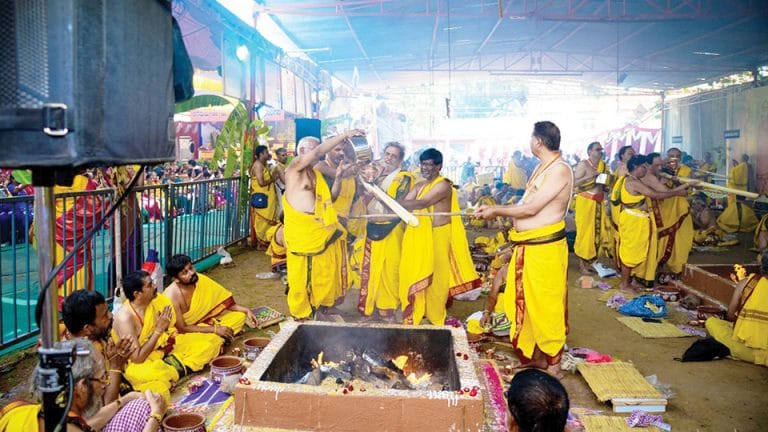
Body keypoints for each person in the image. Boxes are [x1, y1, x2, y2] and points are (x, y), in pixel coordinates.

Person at [474, 121, 573, 377]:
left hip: (545, 249)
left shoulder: (560, 170)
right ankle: (537, 358)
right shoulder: (542, 168)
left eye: (531, 138)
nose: (529, 142)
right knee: (527, 303)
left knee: (545, 304)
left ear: (538, 140)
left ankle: (554, 365)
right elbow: (524, 204)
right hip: (527, 247)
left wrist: (496, 209)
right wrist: (502, 212)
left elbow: (531, 209)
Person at [0, 339, 166, 432]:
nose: (104, 386)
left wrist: (125, 399)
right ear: (80, 387)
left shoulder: (21, 409)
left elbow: (89, 425)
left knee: (138, 405)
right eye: (101, 379)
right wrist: (156, 416)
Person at [283, 130, 360, 320]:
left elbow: (331, 198)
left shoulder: (315, 173)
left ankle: (320, 309)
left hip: (320, 231)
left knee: (322, 275)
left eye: (317, 148)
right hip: (304, 234)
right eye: (312, 149)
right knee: (302, 278)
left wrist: (339, 177)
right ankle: (301, 316)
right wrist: (345, 134)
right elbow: (318, 153)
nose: (316, 152)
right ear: (301, 151)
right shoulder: (294, 168)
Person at [399, 148, 480, 326]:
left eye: (429, 164)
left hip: (438, 236)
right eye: (423, 164)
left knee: (437, 278)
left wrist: (391, 201)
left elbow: (422, 203)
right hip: (420, 237)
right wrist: (392, 201)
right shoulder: (419, 185)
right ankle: (418, 313)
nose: (425, 168)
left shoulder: (443, 184)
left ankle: (436, 317)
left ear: (439, 166)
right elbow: (408, 202)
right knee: (417, 271)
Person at [114, 271, 216, 403]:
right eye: (150, 285)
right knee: (155, 385)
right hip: (140, 363)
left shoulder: (155, 301)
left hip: (163, 350)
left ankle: (171, 371)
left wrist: (163, 331)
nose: (155, 285)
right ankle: (171, 371)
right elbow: (137, 358)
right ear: (137, 294)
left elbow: (170, 329)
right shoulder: (125, 318)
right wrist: (158, 330)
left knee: (209, 343)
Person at [357, 142, 414, 322]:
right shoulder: (378, 175)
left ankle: (388, 312)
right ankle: (372, 310)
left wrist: (374, 188)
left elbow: (395, 204)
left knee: (389, 271)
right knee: (371, 271)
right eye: (387, 154)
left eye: (394, 156)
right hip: (372, 226)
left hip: (393, 229)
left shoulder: (404, 178)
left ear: (400, 160)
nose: (389, 158)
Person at [617, 155, 689, 292]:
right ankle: (624, 284)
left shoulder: (633, 180)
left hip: (636, 220)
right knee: (630, 253)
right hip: (633, 221)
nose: (646, 170)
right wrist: (679, 191)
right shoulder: (633, 183)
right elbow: (656, 195)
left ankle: (629, 281)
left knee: (634, 251)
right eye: (644, 167)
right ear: (636, 168)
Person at [62, 290, 136, 405]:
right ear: (87, 328)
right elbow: (106, 406)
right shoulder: (80, 360)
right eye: (105, 315)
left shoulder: (90, 337)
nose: (111, 316)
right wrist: (115, 366)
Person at [164, 254, 255, 343]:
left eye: (191, 268)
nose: (191, 273)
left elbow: (223, 301)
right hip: (187, 333)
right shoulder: (171, 296)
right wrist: (215, 330)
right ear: (176, 279)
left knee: (239, 316)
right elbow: (182, 328)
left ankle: (220, 338)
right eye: (185, 273)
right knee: (206, 346)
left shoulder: (201, 280)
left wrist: (246, 310)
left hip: (206, 324)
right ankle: (219, 338)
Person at [705, 253, 768, 366]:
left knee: (712, 322)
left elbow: (730, 315)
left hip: (748, 351)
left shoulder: (747, 283)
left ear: (762, 267)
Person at [573, 141, 610, 274]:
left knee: (596, 234)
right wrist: (589, 177)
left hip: (598, 203)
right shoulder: (583, 164)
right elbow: (573, 183)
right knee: (584, 234)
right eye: (597, 149)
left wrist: (607, 186)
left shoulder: (603, 165)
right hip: (585, 202)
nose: (600, 152)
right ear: (589, 151)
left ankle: (589, 263)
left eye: (601, 150)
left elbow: (603, 185)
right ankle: (582, 265)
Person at [250, 145, 279, 248]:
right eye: (266, 152)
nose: (268, 154)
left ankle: (266, 241)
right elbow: (261, 183)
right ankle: (261, 243)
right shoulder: (258, 165)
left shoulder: (264, 164)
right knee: (262, 221)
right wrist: (273, 179)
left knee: (268, 220)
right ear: (261, 154)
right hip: (262, 197)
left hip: (267, 197)